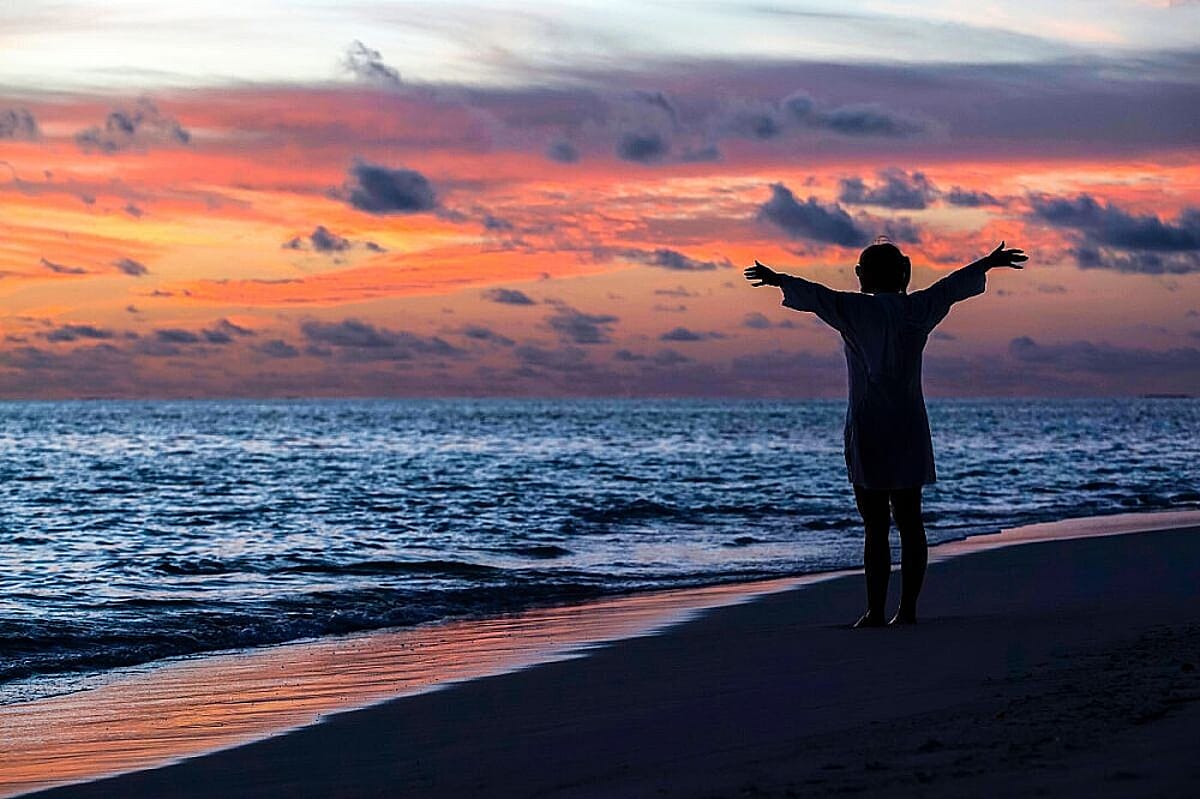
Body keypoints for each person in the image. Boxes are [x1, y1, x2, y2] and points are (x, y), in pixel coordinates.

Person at [744, 240, 1027, 627]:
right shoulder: (916, 309)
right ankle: (906, 609)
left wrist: (777, 278)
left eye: (861, 269)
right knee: (911, 521)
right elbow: (953, 285)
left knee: (875, 525)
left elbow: (813, 294)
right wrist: (989, 262)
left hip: (870, 426)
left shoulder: (854, 309)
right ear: (903, 274)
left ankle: (876, 610)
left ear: (865, 276)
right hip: (908, 425)